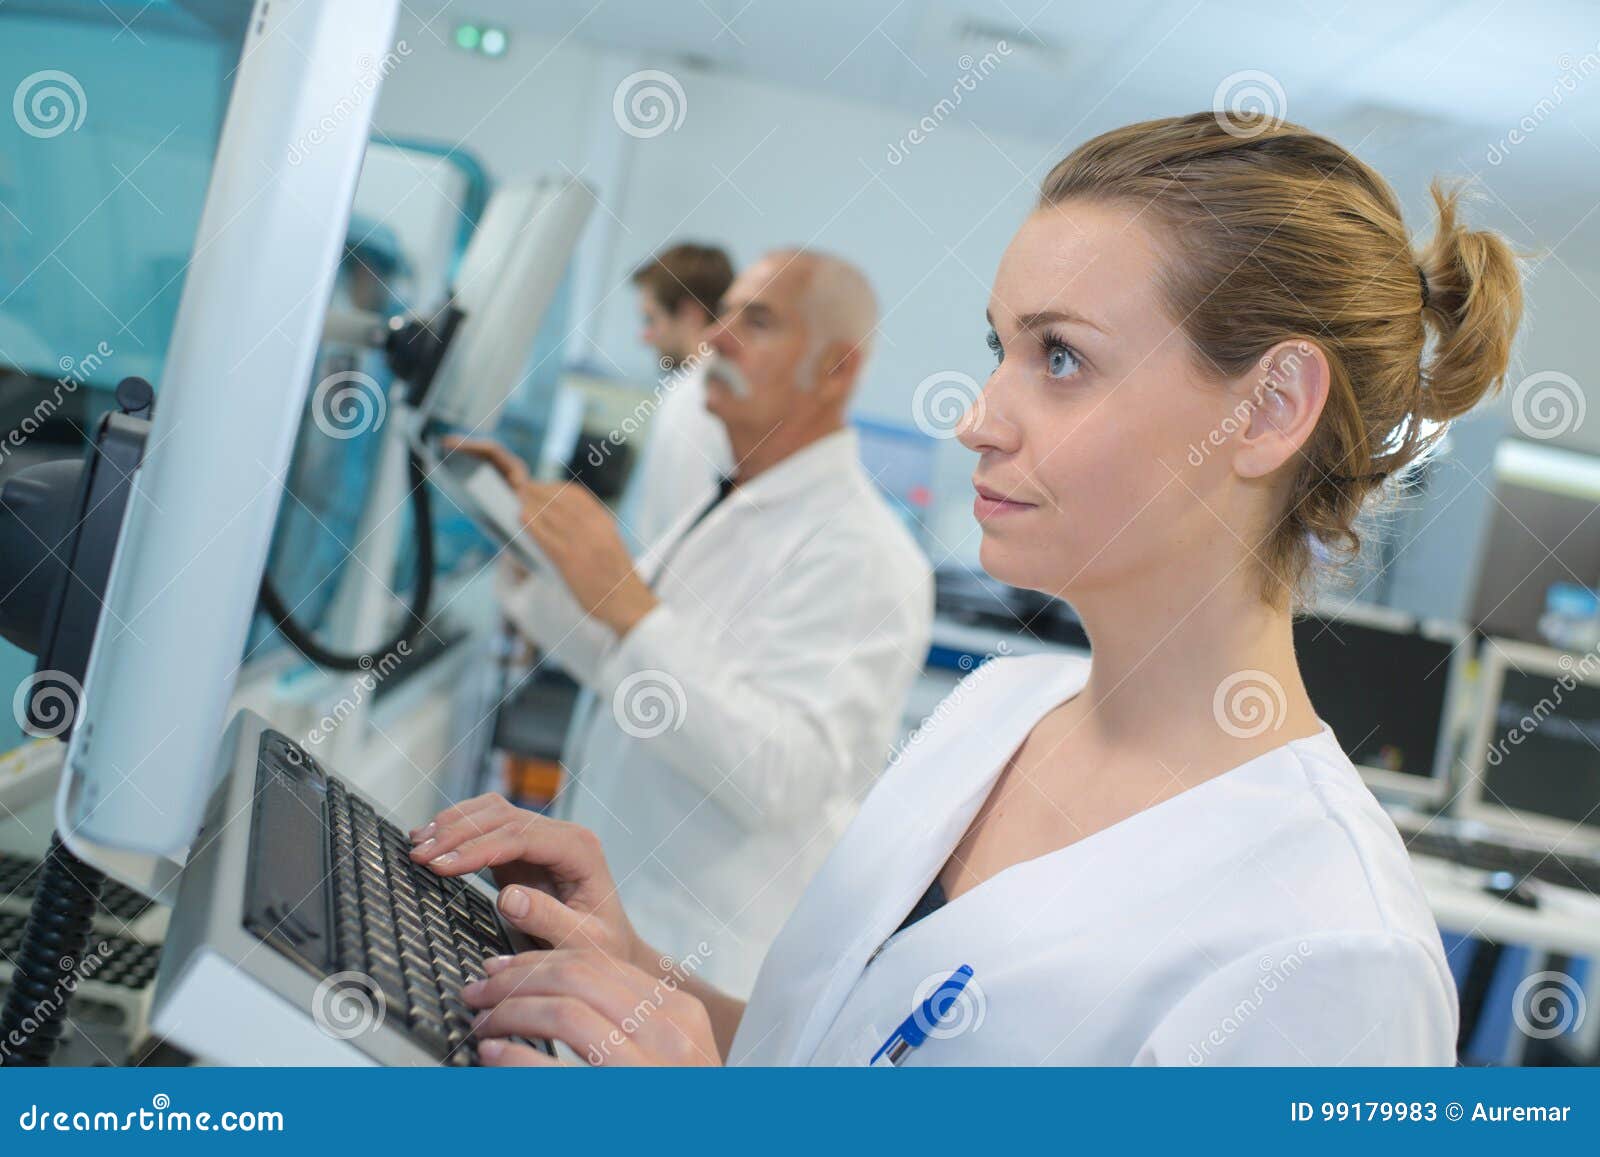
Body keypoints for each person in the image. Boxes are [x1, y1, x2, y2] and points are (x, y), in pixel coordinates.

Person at [415, 112, 1523, 1065]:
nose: (976, 418)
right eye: (1000, 348)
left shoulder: (1332, 953)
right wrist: (640, 981)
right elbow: (827, 1054)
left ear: (1269, 408)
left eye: (1061, 357)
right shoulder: (1000, 707)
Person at [441, 249, 934, 996]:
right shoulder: (728, 498)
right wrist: (529, 553)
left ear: (838, 368)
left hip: (699, 965)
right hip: (617, 920)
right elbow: (627, 667)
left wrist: (625, 599)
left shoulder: (866, 556)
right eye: (724, 313)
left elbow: (780, 777)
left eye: (757, 321)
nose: (717, 338)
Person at [622, 242, 736, 549]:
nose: (644, 337)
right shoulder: (704, 388)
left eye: (651, 320)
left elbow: (681, 529)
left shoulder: (696, 399)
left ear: (689, 314)